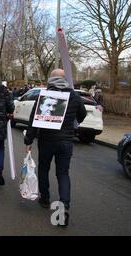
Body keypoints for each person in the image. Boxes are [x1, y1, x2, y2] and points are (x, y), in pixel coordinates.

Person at [24, 69, 87, 227]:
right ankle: (64, 206)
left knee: (44, 168)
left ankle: (45, 199)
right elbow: (83, 113)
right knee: (63, 173)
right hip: (66, 141)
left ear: (51, 79)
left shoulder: (44, 95)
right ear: (64, 79)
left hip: (47, 140)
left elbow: (33, 120)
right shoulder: (74, 95)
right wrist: (74, 122)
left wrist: (28, 139)